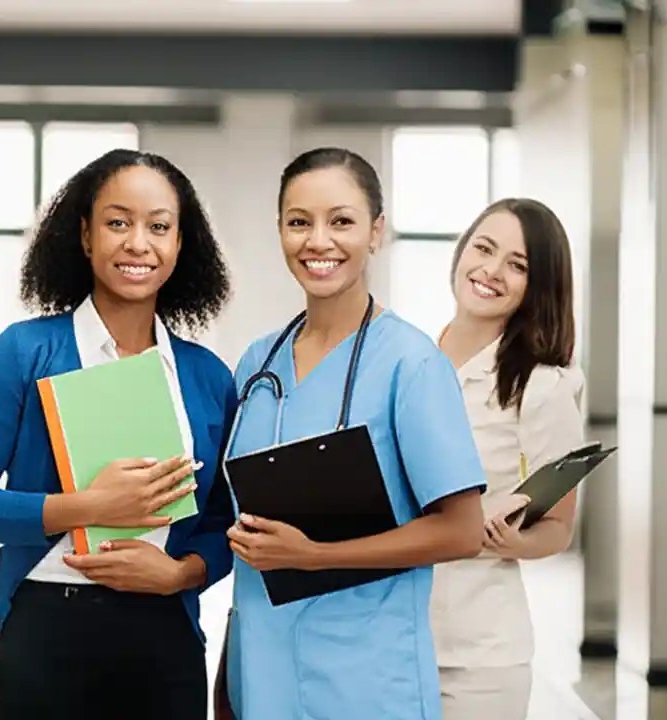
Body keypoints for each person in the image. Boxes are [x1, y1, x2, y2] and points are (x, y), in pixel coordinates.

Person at [0, 148, 236, 720]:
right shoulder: (24, 353)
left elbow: (225, 523)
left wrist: (183, 573)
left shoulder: (207, 376)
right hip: (47, 632)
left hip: (164, 635)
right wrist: (88, 506)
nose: (137, 243)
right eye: (117, 222)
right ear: (85, 235)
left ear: (180, 243)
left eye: (159, 227)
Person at [221, 147, 487, 720]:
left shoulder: (411, 364)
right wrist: (227, 676)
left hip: (366, 681)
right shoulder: (256, 365)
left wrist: (316, 556)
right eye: (299, 222)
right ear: (280, 231)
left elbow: (463, 531)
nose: (319, 241)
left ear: (376, 232)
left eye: (341, 220)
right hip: (260, 676)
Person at [429, 198, 583, 719]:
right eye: (484, 248)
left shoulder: (541, 387)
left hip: (477, 655)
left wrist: (516, 542)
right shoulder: (408, 360)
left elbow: (559, 527)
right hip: (388, 637)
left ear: (536, 287)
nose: (491, 271)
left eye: (517, 265)